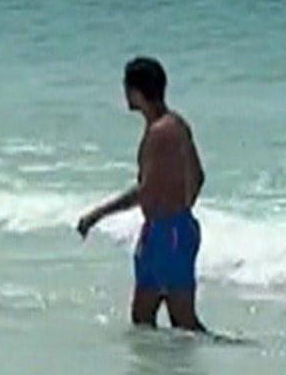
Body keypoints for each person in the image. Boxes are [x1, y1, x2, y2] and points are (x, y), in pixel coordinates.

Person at [77, 56, 207, 332]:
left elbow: (146, 191)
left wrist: (97, 214)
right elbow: (198, 177)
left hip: (166, 234)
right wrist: (181, 211)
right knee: (148, 319)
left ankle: (237, 354)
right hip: (171, 229)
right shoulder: (176, 124)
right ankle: (171, 374)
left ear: (136, 91)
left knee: (176, 321)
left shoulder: (160, 134)